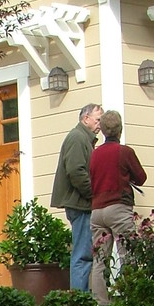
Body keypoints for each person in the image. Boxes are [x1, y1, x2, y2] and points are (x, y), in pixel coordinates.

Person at [89, 109, 147, 306]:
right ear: (120, 130)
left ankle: (101, 305)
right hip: (118, 208)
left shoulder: (95, 155)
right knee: (127, 255)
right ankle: (131, 302)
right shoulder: (125, 152)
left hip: (97, 211)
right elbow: (141, 177)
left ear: (103, 131)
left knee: (99, 260)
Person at [50, 103, 103, 291]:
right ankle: (79, 303)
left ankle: (81, 299)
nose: (100, 125)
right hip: (80, 204)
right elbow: (76, 171)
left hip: (81, 203)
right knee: (82, 255)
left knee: (85, 253)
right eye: (98, 120)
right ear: (85, 118)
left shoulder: (83, 139)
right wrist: (93, 195)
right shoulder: (78, 138)